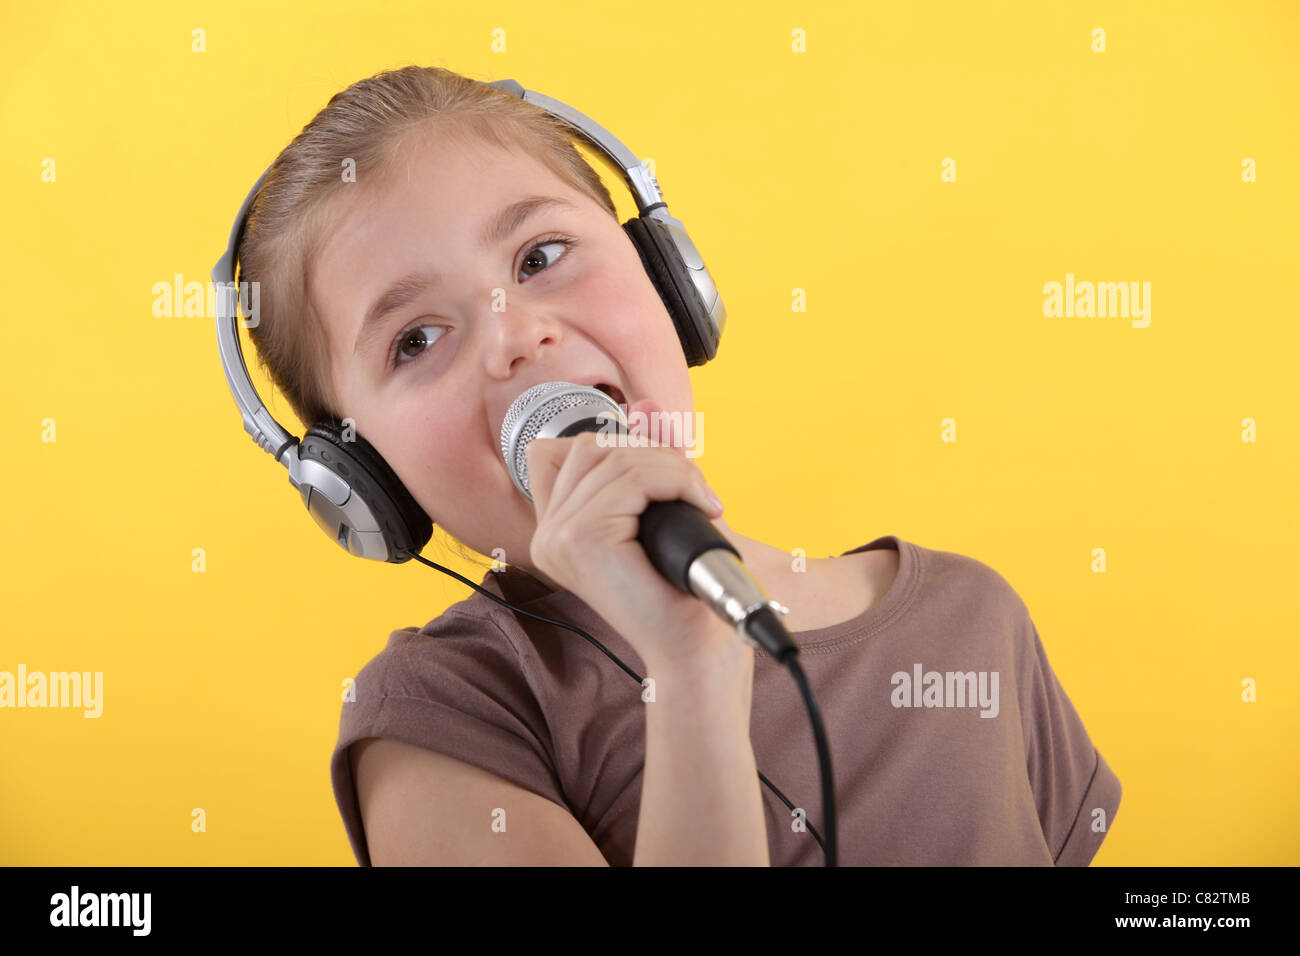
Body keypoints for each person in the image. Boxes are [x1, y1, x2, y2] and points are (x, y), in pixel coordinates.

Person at [235, 64, 1121, 866]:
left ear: (668, 275)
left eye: (540, 257)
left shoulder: (970, 620)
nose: (515, 336)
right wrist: (694, 666)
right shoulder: (448, 718)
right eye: (417, 339)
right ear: (362, 481)